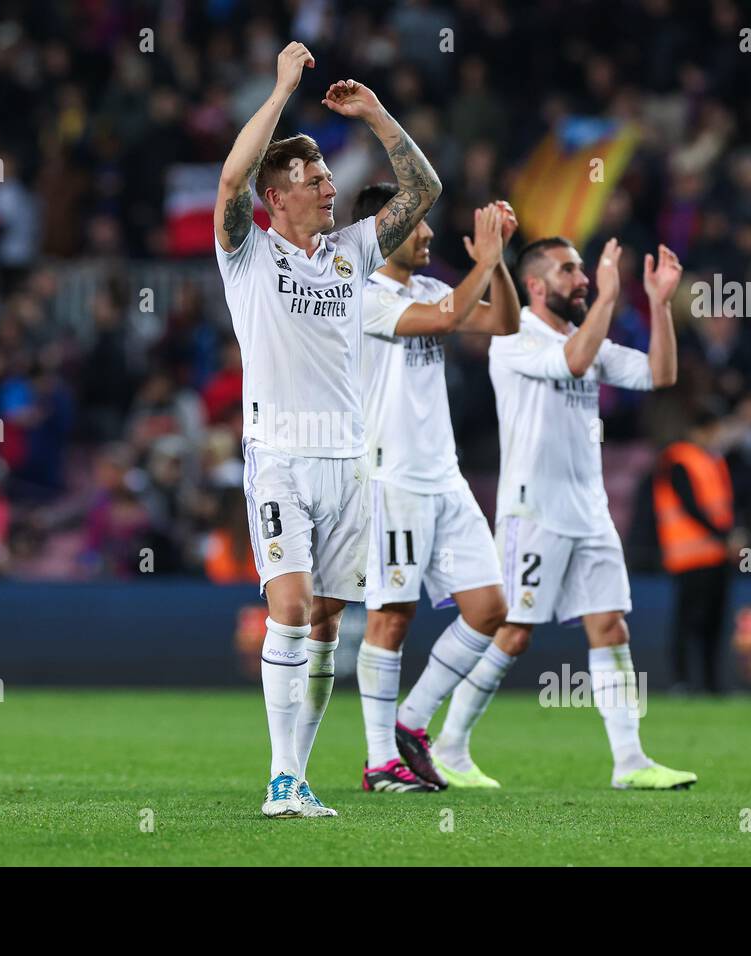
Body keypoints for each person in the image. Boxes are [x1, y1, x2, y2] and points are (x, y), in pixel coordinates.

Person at [213, 42, 441, 817]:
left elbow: (424, 188)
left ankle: (298, 777)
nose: (326, 187)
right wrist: (282, 89)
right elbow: (230, 180)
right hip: (278, 454)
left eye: (325, 177)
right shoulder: (247, 254)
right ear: (278, 198)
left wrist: (375, 113)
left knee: (325, 626)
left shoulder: (351, 253)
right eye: (312, 180)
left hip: (349, 464)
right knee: (290, 605)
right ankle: (280, 780)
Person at [473, 235, 697, 790]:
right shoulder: (513, 337)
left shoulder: (585, 336)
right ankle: (449, 742)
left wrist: (661, 305)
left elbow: (660, 374)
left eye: (582, 270)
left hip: (589, 510)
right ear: (535, 285)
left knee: (609, 625)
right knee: (514, 632)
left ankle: (630, 761)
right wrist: (609, 298)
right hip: (534, 510)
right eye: (569, 270)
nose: (582, 279)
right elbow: (573, 364)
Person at [350, 188, 520, 792]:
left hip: (444, 476)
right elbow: (451, 318)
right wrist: (484, 260)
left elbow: (503, 321)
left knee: (489, 609)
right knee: (391, 617)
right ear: (385, 229)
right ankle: (378, 763)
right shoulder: (360, 296)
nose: (428, 236)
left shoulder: (426, 289)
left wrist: (495, 262)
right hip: (392, 478)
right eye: (418, 226)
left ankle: (412, 723)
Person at [654, 408, 736, 693]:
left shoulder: (714, 461)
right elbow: (689, 506)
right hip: (688, 558)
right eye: (714, 430)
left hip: (717, 556)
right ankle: (681, 682)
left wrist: (729, 538)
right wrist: (724, 535)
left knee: (714, 624)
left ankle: (713, 685)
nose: (718, 436)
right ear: (699, 430)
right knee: (687, 622)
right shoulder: (677, 460)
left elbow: (723, 507)